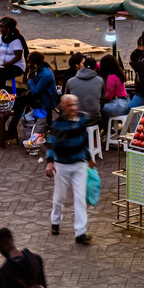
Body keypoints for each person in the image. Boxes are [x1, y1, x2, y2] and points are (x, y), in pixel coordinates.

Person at [46, 94, 95, 244]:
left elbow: (84, 140)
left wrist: (89, 158)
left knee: (80, 198)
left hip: (79, 164)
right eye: (69, 105)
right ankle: (55, 221)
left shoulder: (82, 120)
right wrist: (50, 161)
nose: (73, 108)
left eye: (75, 104)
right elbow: (52, 143)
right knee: (59, 197)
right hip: (62, 165)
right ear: (63, 107)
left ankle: (80, 232)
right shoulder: (58, 124)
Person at [7, 51, 59, 136]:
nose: (27, 64)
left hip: (45, 99)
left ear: (34, 63)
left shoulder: (46, 75)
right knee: (18, 101)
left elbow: (36, 90)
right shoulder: (38, 69)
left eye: (29, 62)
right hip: (39, 95)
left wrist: (29, 79)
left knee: (20, 103)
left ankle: (11, 130)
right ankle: (11, 130)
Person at [65, 57, 104, 124]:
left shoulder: (70, 81)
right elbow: (103, 100)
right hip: (94, 117)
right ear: (95, 68)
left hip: (75, 117)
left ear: (83, 65)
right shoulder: (100, 80)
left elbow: (66, 99)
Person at [99, 54, 130, 121]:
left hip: (118, 105)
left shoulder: (111, 77)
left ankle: (106, 129)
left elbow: (109, 96)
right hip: (125, 103)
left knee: (97, 111)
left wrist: (98, 96)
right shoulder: (118, 75)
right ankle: (108, 129)